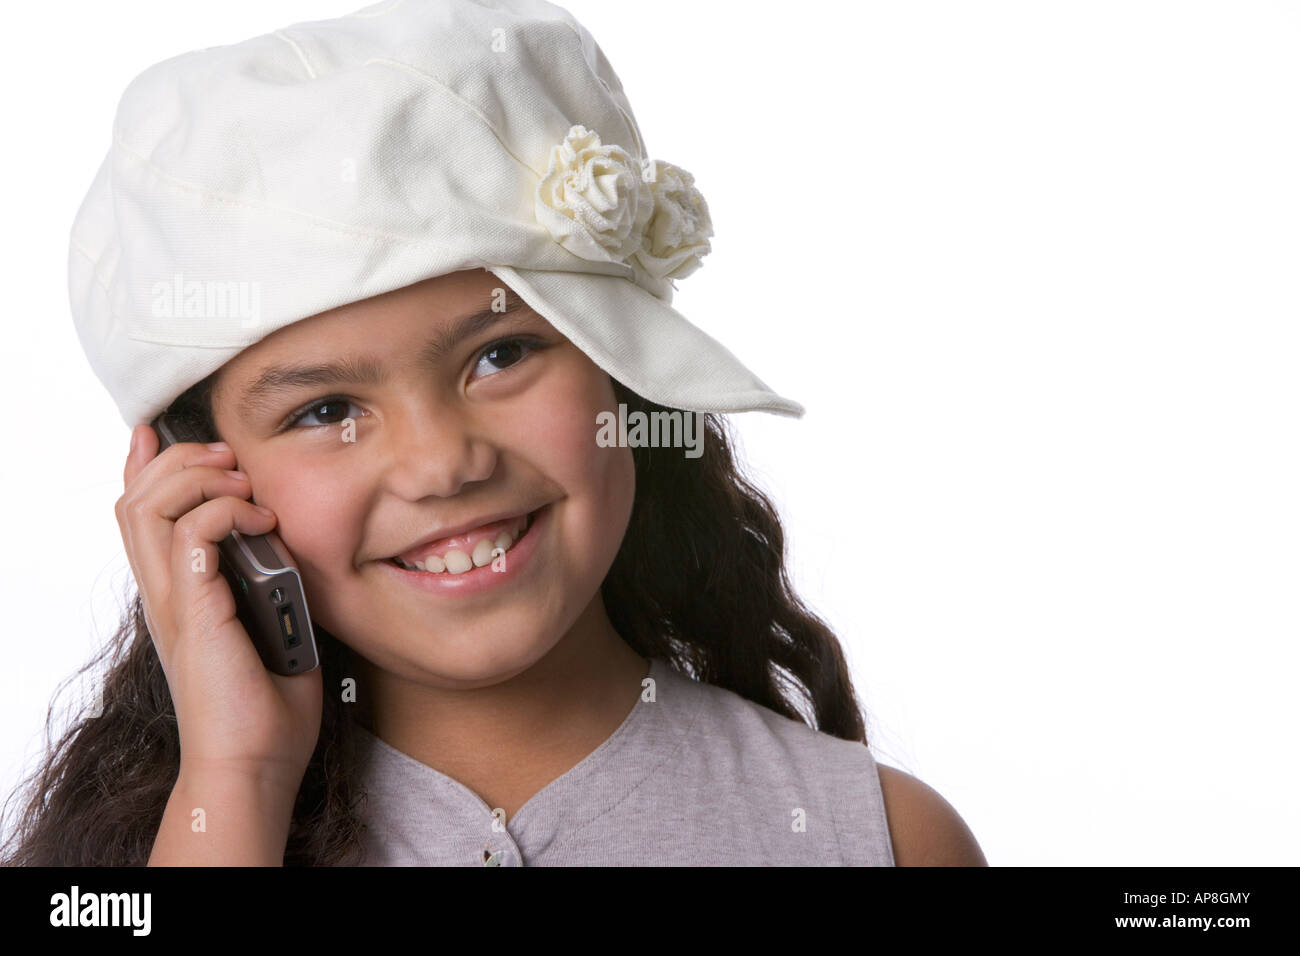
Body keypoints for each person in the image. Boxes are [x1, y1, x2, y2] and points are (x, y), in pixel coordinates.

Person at [1, 0, 985, 866]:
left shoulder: (886, 840)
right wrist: (240, 775)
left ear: (621, 367)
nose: (441, 463)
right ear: (197, 482)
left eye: (501, 355)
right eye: (325, 410)